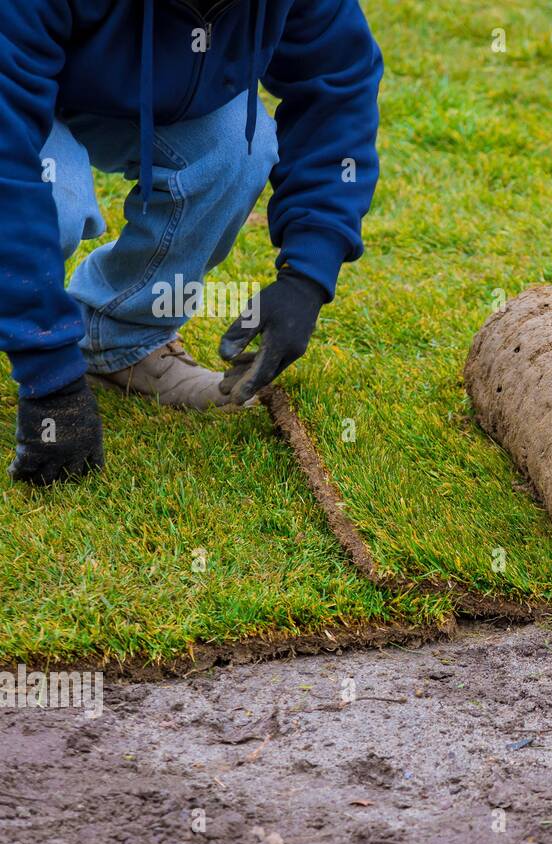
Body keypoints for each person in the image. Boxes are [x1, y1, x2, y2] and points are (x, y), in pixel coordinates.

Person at [1, 1, 383, 484]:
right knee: (57, 204)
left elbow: (338, 91)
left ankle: (119, 339)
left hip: (116, 86)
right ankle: (24, 326)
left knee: (236, 147)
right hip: (12, 86)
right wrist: (50, 379)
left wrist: (308, 275)